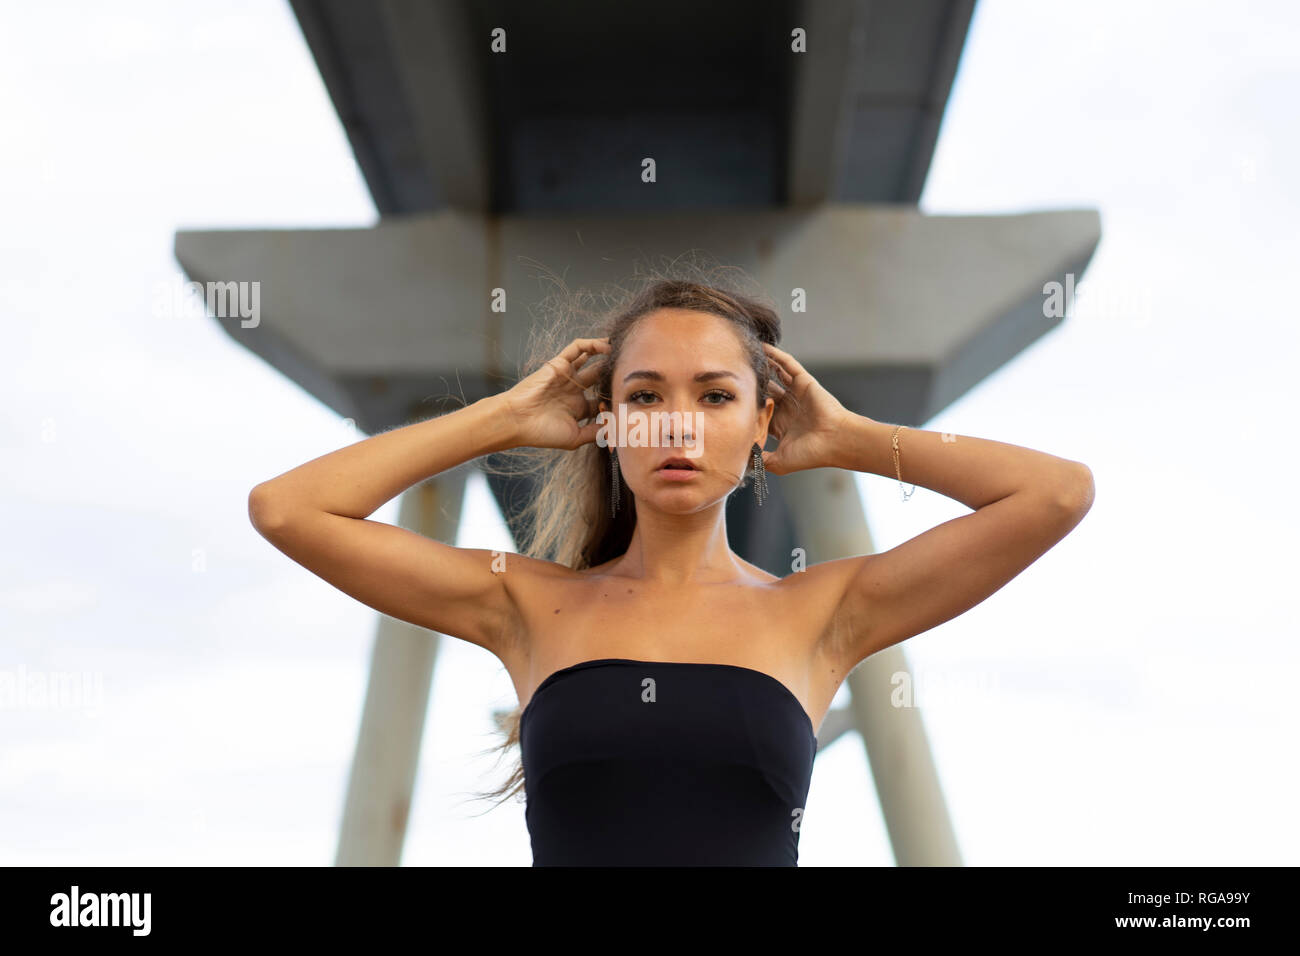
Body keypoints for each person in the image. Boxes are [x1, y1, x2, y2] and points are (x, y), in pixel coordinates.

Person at [247, 270, 1095, 866]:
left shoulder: (822, 612)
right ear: (606, 421)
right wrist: (502, 418)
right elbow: (287, 510)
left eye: (715, 396)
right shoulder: (522, 604)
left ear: (763, 420)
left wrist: (852, 437)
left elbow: (1055, 494)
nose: (676, 426)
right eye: (644, 397)